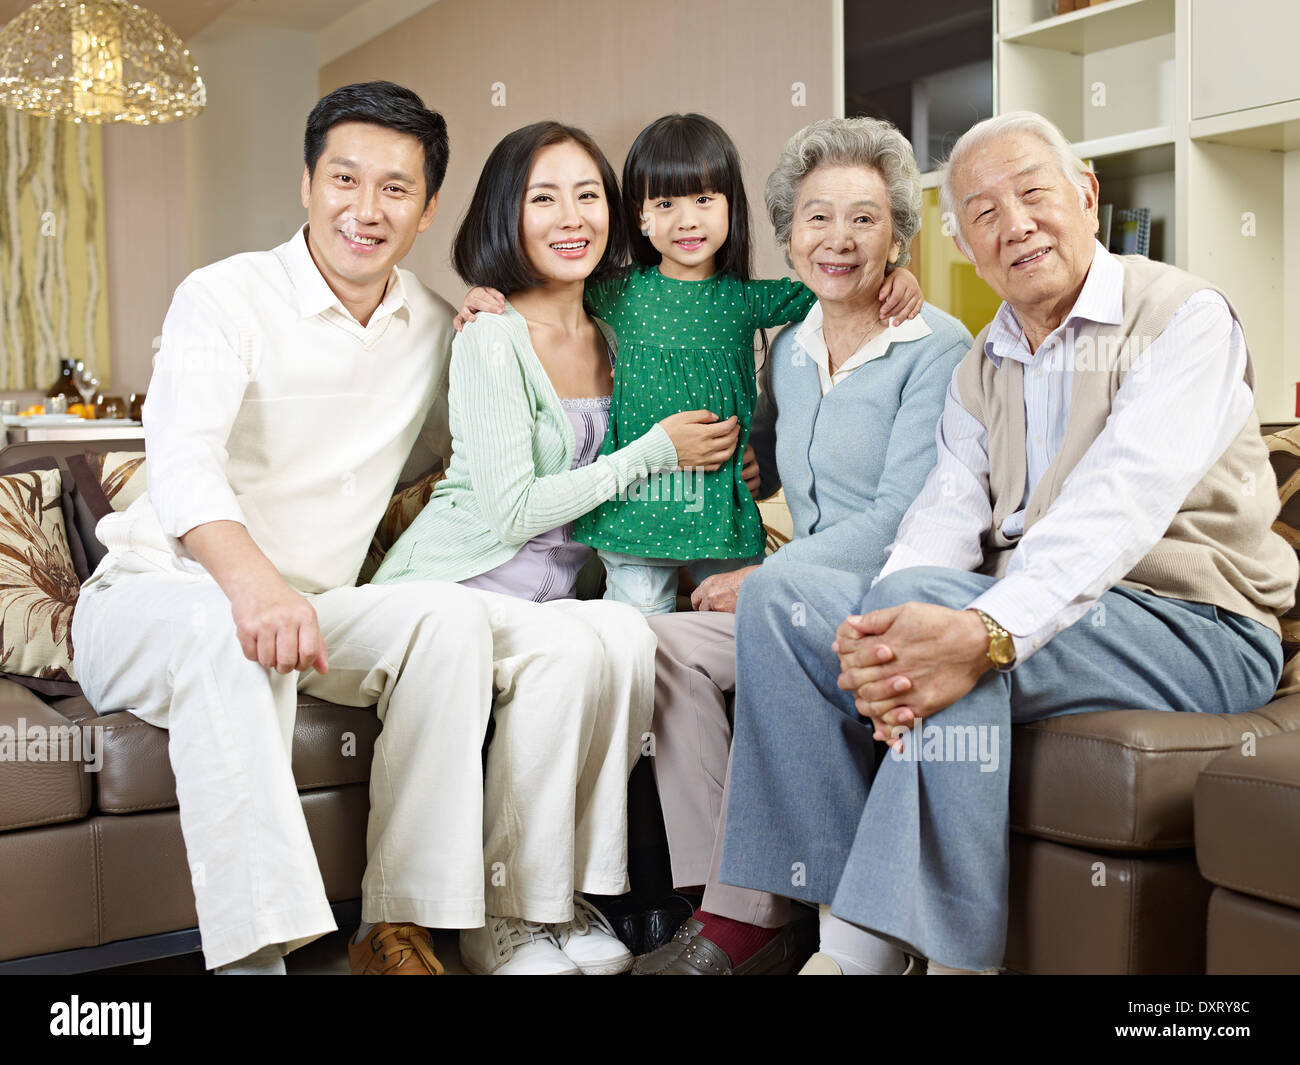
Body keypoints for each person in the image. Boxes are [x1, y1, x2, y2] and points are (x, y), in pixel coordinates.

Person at [719, 110, 1297, 975]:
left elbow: (1117, 507)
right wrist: (891, 620)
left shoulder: (1183, 316)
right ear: (964, 245)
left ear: (1087, 197)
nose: (1015, 223)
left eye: (1033, 193)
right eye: (983, 213)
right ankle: (832, 913)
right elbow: (941, 520)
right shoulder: (980, 365)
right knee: (782, 600)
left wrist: (977, 629)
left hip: (1196, 625)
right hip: (1034, 610)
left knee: (947, 626)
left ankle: (912, 958)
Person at [70, 82, 487, 976]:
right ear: (306, 183)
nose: (364, 209)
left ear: (427, 209)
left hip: (312, 607)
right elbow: (183, 462)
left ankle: (399, 927)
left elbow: (490, 443)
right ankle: (259, 962)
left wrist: (505, 339)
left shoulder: (433, 327)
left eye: (395, 189)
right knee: (233, 634)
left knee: (451, 623)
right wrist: (252, 584)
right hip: (159, 599)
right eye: (345, 178)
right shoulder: (221, 296)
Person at [372, 121, 740, 974]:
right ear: (509, 212)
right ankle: (500, 914)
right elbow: (510, 515)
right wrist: (652, 452)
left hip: (547, 605)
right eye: (544, 197)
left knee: (619, 637)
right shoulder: (490, 337)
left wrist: (725, 462)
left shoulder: (621, 335)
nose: (571, 216)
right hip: (452, 587)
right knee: (581, 642)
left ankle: (560, 898)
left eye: (587, 195)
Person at [632, 116, 971, 975]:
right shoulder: (788, 348)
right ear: (788, 234)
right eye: (817, 217)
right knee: (665, 646)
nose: (839, 239)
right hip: (798, 591)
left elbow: (904, 509)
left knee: (759, 617)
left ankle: (752, 930)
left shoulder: (937, 347)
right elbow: (771, 460)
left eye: (865, 218)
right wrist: (744, 466)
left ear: (899, 231)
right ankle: (732, 902)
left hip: (883, 589)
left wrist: (766, 574)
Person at [456, 113, 924, 615]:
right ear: (639, 215)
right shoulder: (615, 292)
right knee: (637, 644)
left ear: (730, 207)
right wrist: (488, 295)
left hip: (722, 510)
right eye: (665, 203)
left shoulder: (745, 301)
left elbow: (835, 283)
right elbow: (546, 289)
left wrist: (895, 277)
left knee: (746, 627)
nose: (687, 220)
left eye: (704, 199)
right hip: (637, 513)